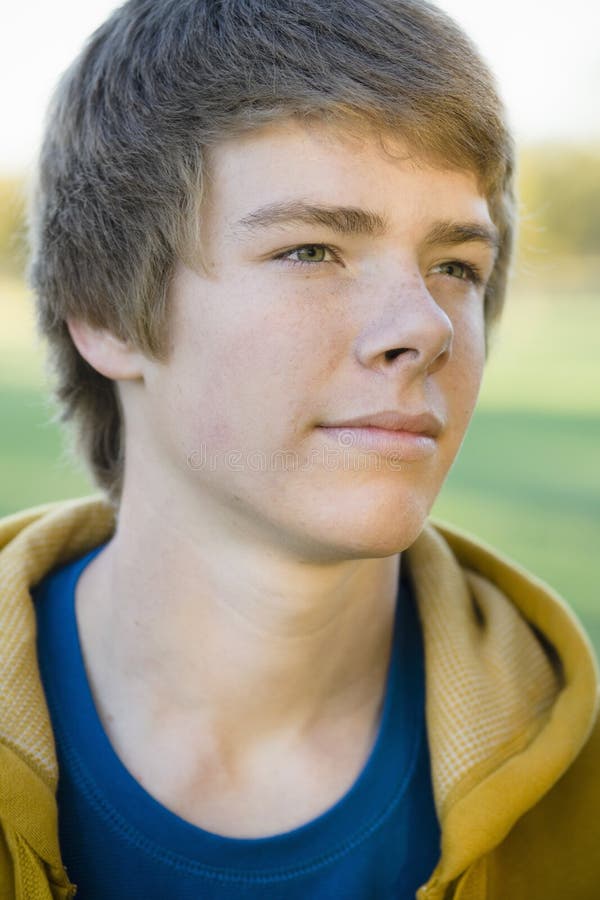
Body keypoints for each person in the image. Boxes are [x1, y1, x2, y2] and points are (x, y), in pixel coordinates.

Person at [1, 0, 598, 897]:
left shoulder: (579, 791)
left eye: (455, 266)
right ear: (104, 312)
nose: (426, 328)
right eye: (313, 250)